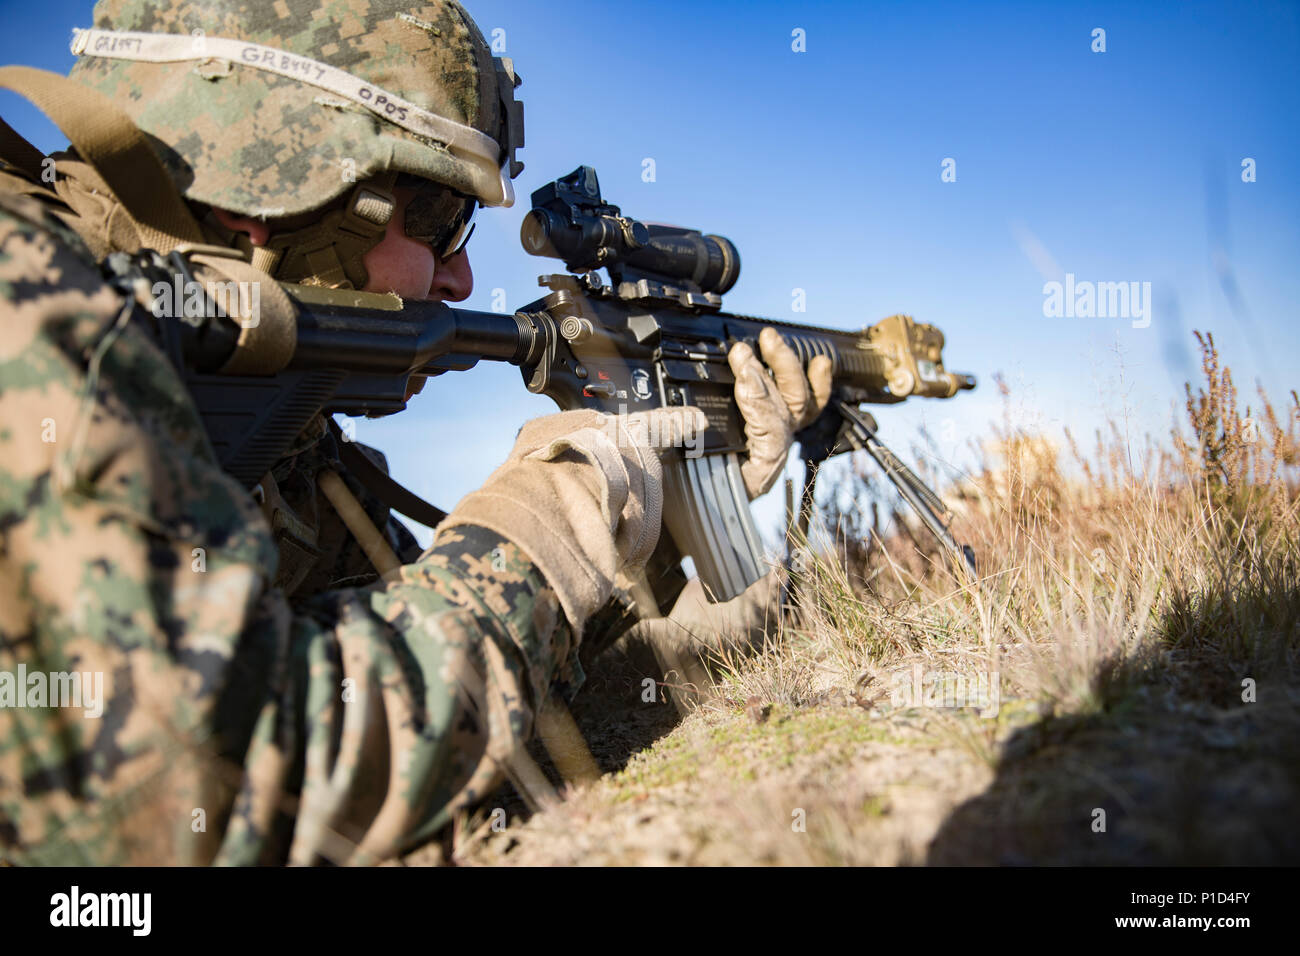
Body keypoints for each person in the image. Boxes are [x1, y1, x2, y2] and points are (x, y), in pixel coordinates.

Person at [0, 0, 830, 865]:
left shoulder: (281, 445)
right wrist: (554, 510)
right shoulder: (29, 311)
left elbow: (449, 698)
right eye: (436, 220)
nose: (463, 276)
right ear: (275, 187)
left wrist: (653, 505)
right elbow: (181, 804)